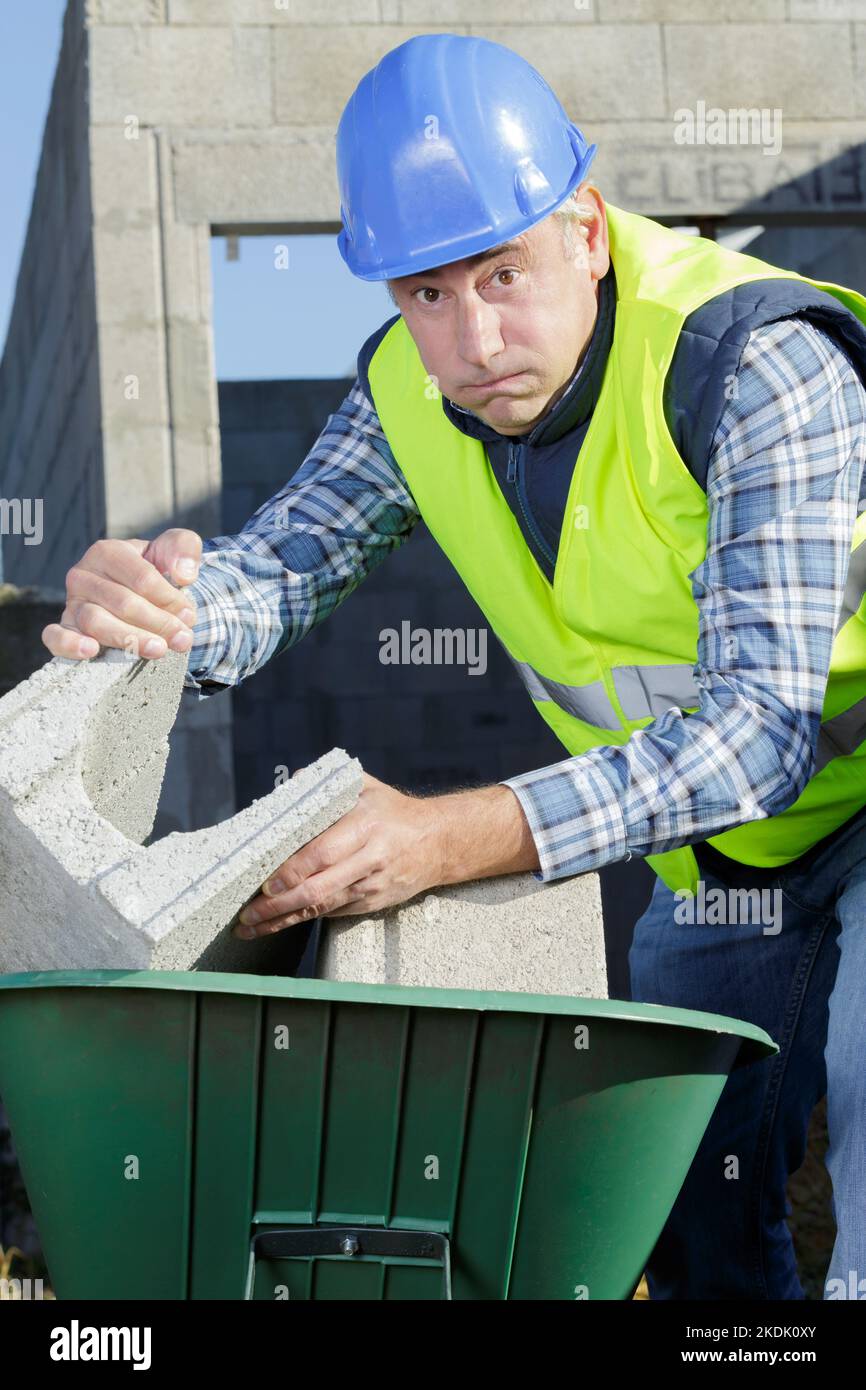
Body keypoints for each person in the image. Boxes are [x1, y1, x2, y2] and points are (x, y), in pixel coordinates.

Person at [42, 34, 866, 1299]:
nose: (473, 337)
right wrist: (160, 613)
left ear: (585, 232)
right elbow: (282, 571)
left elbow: (757, 733)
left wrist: (447, 837)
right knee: (682, 1215)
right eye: (426, 293)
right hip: (713, 861)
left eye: (502, 273)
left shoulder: (753, 364)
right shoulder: (409, 395)